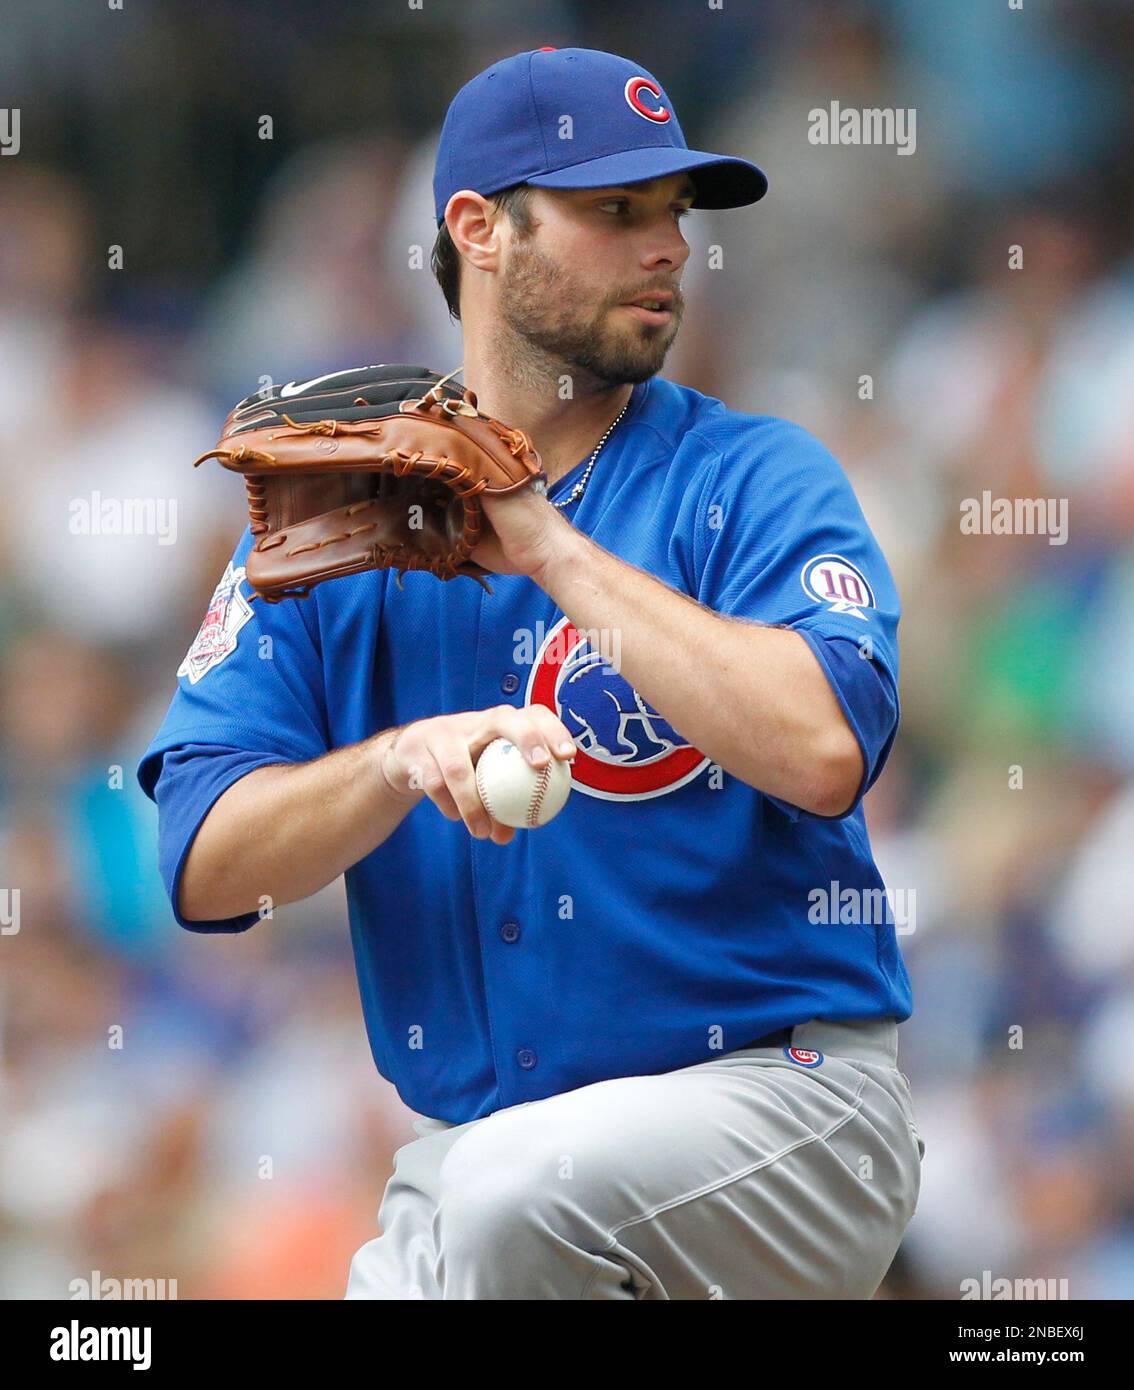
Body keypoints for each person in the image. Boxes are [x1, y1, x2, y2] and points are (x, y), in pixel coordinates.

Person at [138, 47, 922, 1300]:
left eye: (674, 214)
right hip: (479, 1155)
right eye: (616, 212)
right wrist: (394, 761)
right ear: (478, 229)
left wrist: (549, 544)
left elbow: (824, 750)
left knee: (514, 1199)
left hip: (782, 1109)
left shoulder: (756, 479)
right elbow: (201, 858)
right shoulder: (342, 516)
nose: (667, 246)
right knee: (486, 1204)